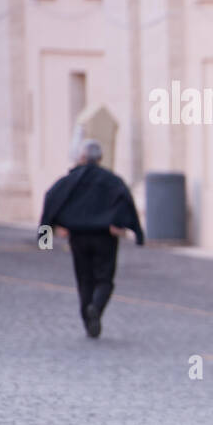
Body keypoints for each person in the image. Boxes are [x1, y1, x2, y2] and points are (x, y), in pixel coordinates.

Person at [38, 139, 145, 338]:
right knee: (104, 279)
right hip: (105, 236)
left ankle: (88, 320)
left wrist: (46, 236)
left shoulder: (69, 181)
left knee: (84, 279)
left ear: (82, 158)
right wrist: (132, 230)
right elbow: (125, 202)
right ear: (100, 158)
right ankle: (96, 307)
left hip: (78, 236)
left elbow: (51, 199)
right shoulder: (112, 180)